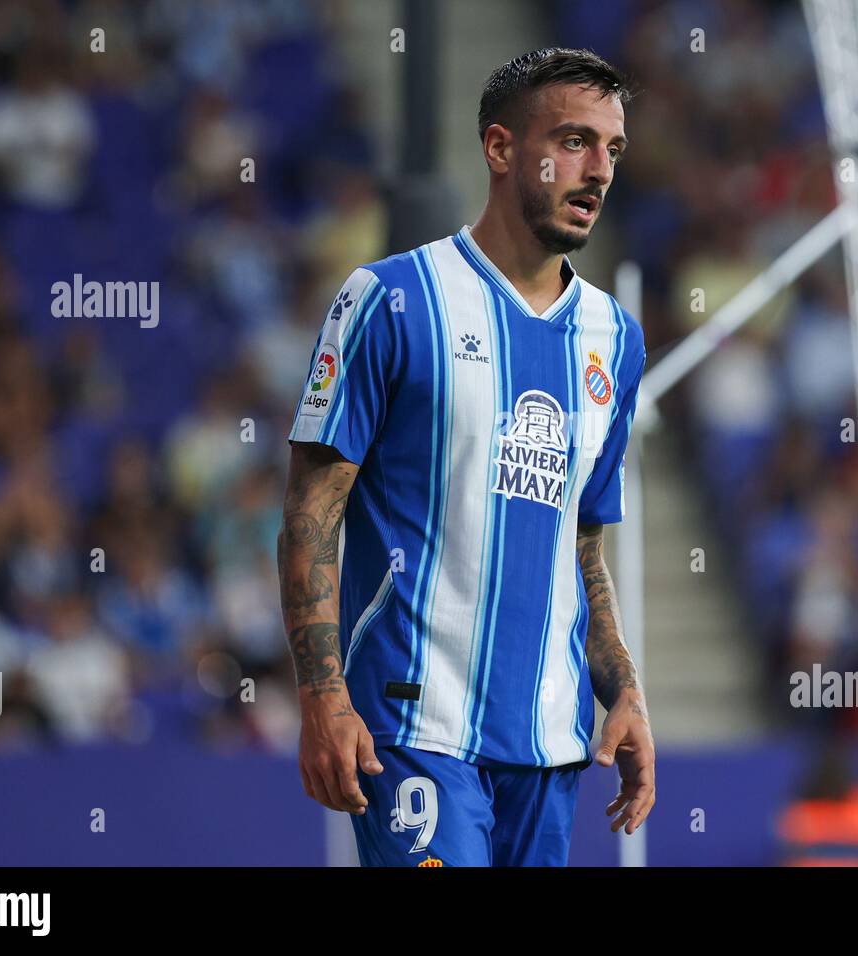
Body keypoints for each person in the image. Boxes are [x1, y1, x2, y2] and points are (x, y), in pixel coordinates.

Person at [277, 47, 654, 867]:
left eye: (612, 150)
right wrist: (322, 696)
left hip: (549, 741)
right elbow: (312, 512)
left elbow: (581, 540)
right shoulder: (390, 300)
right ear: (500, 148)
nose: (598, 170)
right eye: (575, 141)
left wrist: (622, 691)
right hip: (412, 727)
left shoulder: (615, 340)